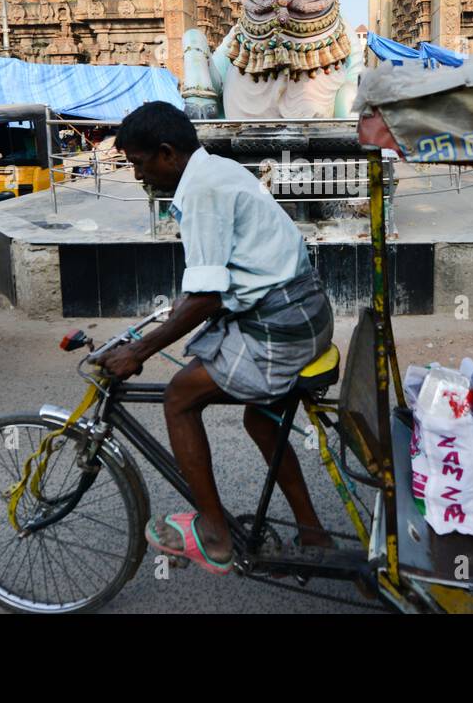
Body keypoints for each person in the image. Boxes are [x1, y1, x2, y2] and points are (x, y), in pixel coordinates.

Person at [100, 102, 334, 573]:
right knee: (260, 421)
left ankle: (214, 533)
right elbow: (213, 284)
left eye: (140, 164)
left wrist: (141, 350)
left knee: (179, 398)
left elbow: (206, 297)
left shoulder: (202, 189)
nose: (139, 175)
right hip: (303, 314)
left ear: (166, 154)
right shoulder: (216, 169)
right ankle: (313, 531)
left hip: (281, 329)